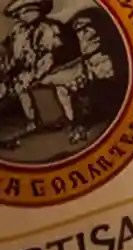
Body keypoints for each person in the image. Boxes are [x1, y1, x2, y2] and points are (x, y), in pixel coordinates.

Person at [3, 0, 87, 146]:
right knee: (21, 88)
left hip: (65, 69)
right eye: (17, 14)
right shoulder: (19, 32)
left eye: (23, 12)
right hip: (39, 72)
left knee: (60, 88)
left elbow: (49, 58)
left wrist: (31, 76)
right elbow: (14, 58)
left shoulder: (49, 28)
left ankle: (74, 123)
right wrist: (14, 76)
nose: (19, 16)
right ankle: (33, 122)